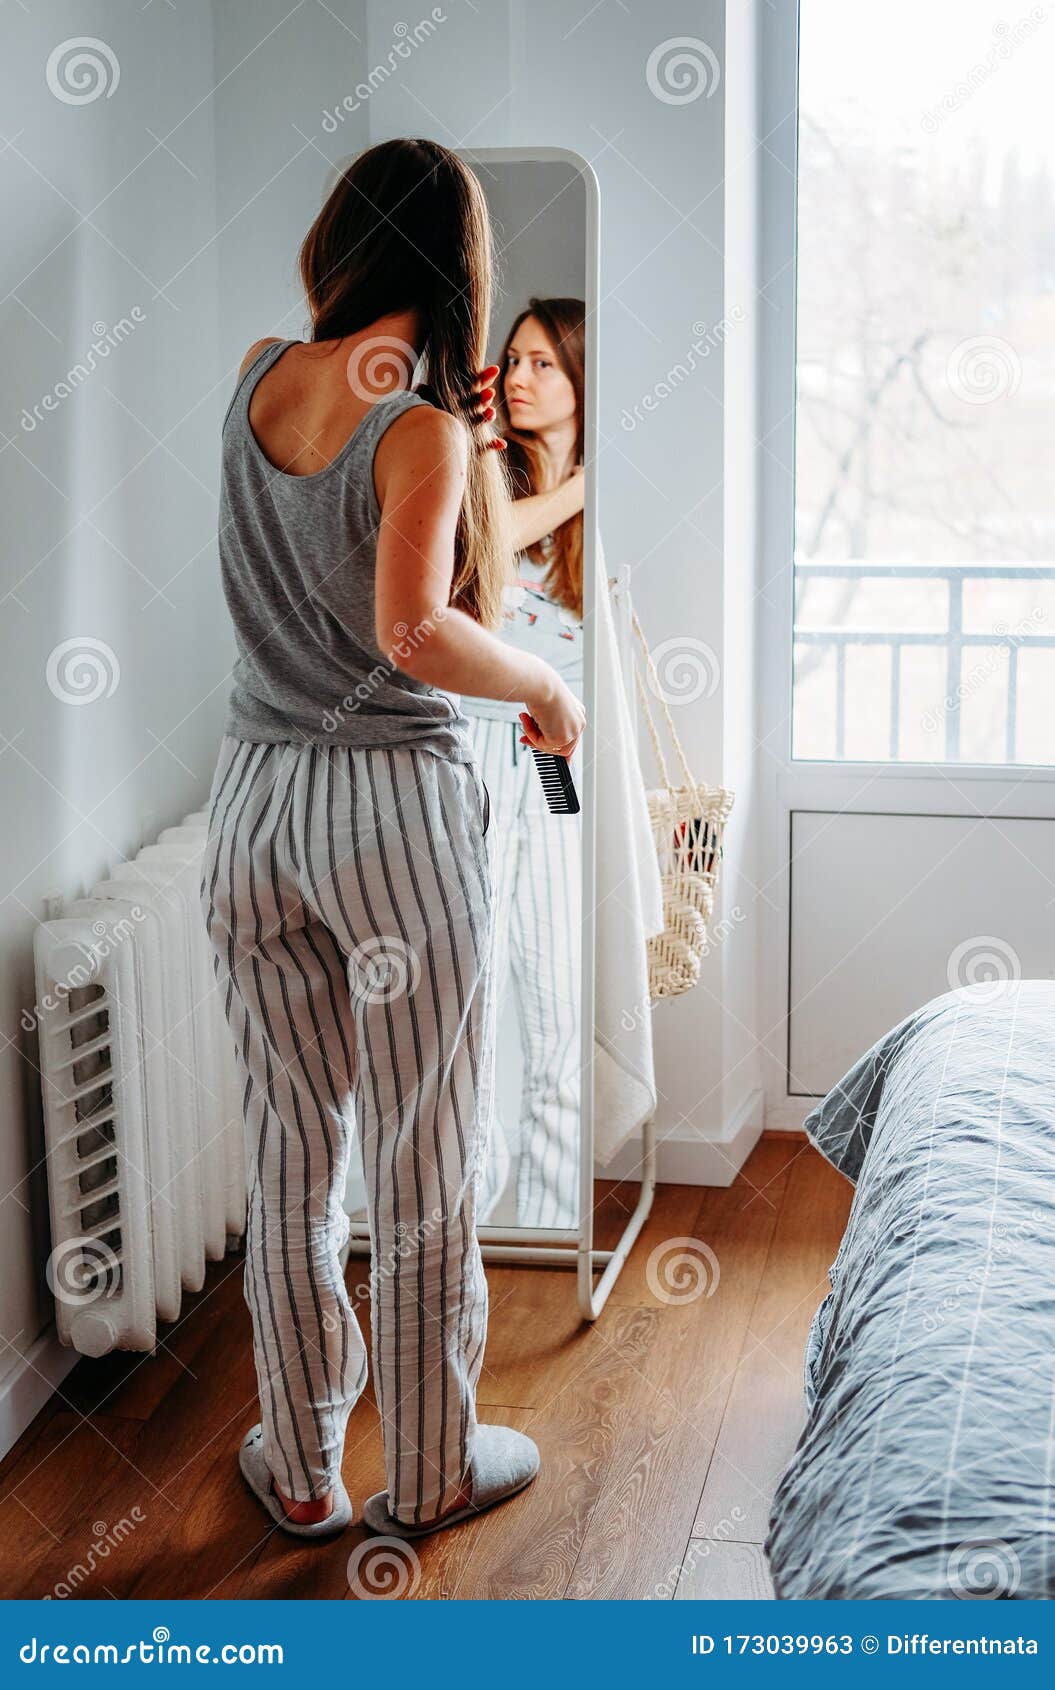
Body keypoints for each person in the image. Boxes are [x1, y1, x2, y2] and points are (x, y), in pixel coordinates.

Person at [200, 139, 584, 1540]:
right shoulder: (418, 429)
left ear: (338, 241)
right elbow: (411, 628)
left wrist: (453, 439)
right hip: (386, 823)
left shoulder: (258, 374)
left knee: (289, 1147)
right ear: (459, 272)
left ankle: (298, 1468)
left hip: (252, 808)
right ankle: (425, 1469)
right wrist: (545, 684)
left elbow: (326, 539)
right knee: (420, 1151)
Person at [461, 299, 587, 1229]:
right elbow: (488, 544)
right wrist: (590, 482)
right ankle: (471, 1212)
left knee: (555, 989)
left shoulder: (602, 501)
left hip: (552, 763)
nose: (519, 376)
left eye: (543, 363)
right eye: (512, 359)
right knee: (470, 997)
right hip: (468, 753)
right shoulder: (487, 470)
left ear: (580, 377)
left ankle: (547, 1217)